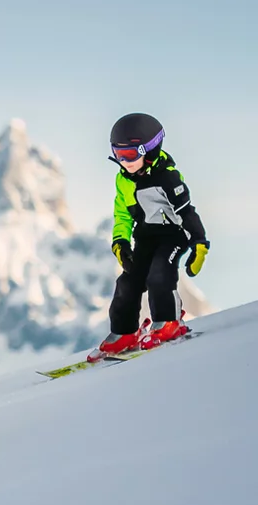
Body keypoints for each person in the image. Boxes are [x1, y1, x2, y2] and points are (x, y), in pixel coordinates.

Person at [88, 112, 211, 363]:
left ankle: (169, 322)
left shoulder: (167, 177)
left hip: (173, 236)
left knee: (159, 276)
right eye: (118, 154)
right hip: (145, 238)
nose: (124, 161)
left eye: (131, 154)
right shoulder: (124, 180)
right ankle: (125, 332)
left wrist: (199, 242)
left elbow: (186, 211)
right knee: (128, 284)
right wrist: (120, 242)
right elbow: (122, 213)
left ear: (151, 149)